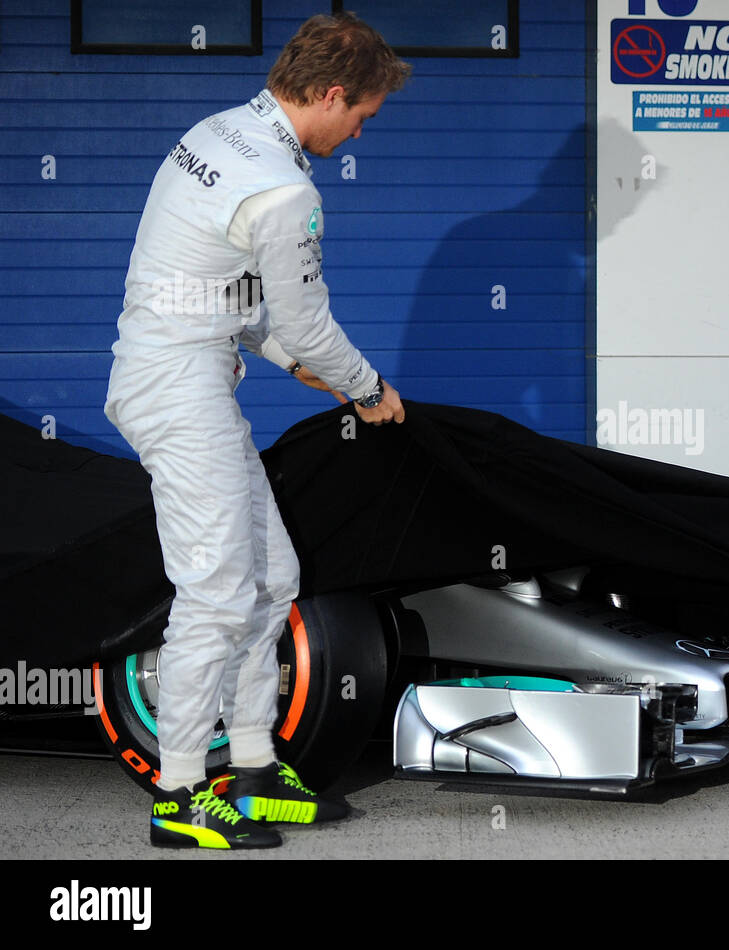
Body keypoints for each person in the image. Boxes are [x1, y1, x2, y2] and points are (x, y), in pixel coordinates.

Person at [104, 13, 411, 849]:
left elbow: (212, 283)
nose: (356, 136)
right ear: (333, 92)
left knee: (273, 575)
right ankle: (177, 796)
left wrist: (287, 357)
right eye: (361, 117)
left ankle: (253, 772)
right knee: (214, 590)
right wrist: (365, 387)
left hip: (183, 372)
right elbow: (310, 328)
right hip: (176, 386)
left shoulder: (218, 133)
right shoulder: (284, 187)